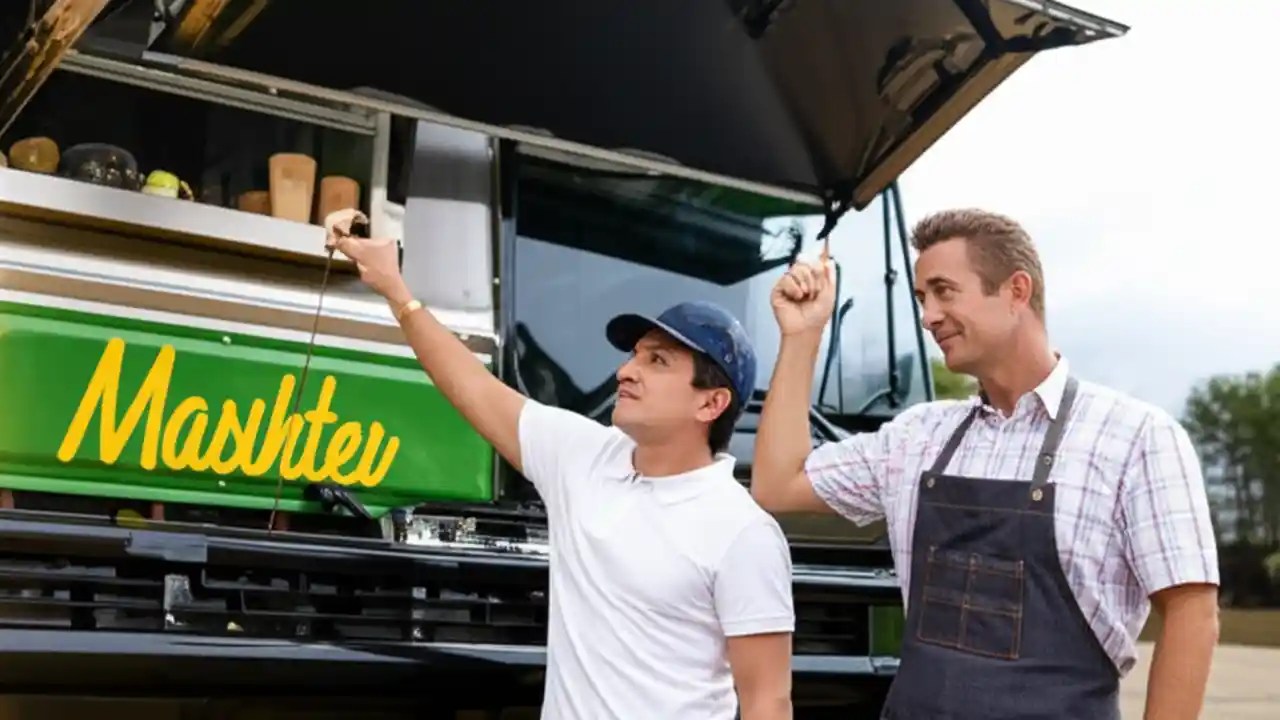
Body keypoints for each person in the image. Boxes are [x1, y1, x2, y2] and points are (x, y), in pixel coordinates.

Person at [322, 209, 796, 720]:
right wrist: (396, 289)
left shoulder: (742, 532)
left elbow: (767, 701)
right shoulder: (582, 457)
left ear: (711, 404)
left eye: (657, 361)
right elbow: (474, 387)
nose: (625, 372)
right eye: (634, 355)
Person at [751, 208, 1220, 719]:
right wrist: (802, 336)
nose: (928, 315)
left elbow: (1191, 612)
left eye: (944, 291)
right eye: (921, 298)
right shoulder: (918, 436)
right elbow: (778, 485)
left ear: (1016, 291)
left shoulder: (1135, 438)